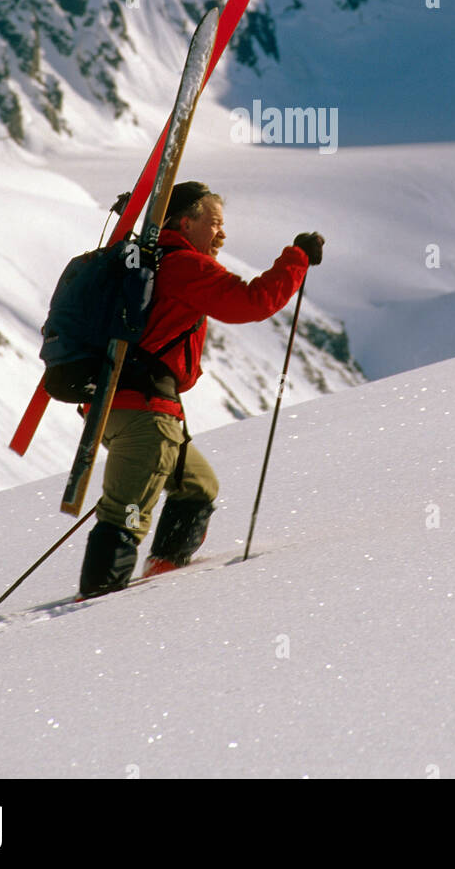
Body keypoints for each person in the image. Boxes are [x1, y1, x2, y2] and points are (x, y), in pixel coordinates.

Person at [78, 181, 324, 597]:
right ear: (186, 222)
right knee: (126, 514)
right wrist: (297, 259)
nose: (222, 234)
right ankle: (98, 604)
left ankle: (166, 577)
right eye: (214, 223)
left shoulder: (146, 261)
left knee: (197, 485)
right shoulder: (181, 265)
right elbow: (252, 302)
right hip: (145, 410)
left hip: (121, 405)